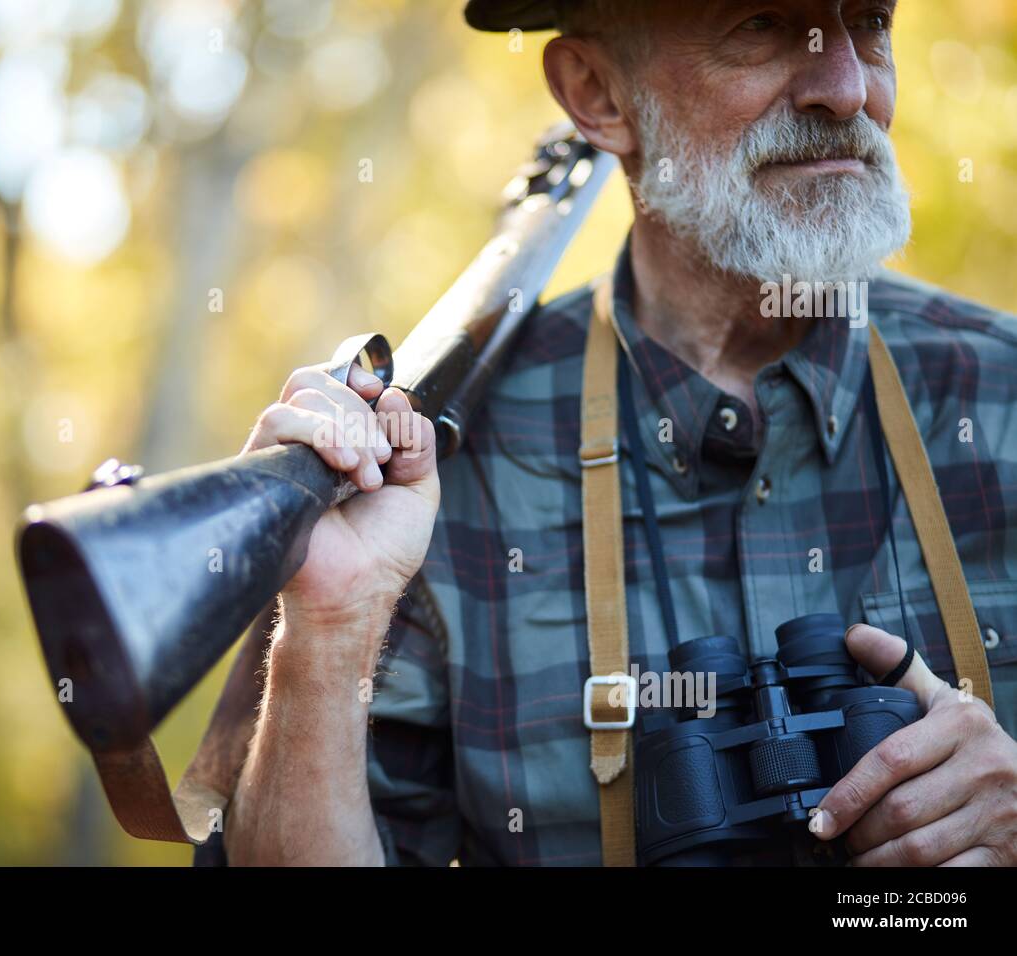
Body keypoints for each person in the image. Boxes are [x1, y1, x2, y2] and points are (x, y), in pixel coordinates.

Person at [222, 0, 1017, 866]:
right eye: (759, 25)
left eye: (868, 21)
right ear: (596, 92)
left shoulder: (1001, 390)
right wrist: (329, 630)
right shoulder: (437, 459)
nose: (846, 85)